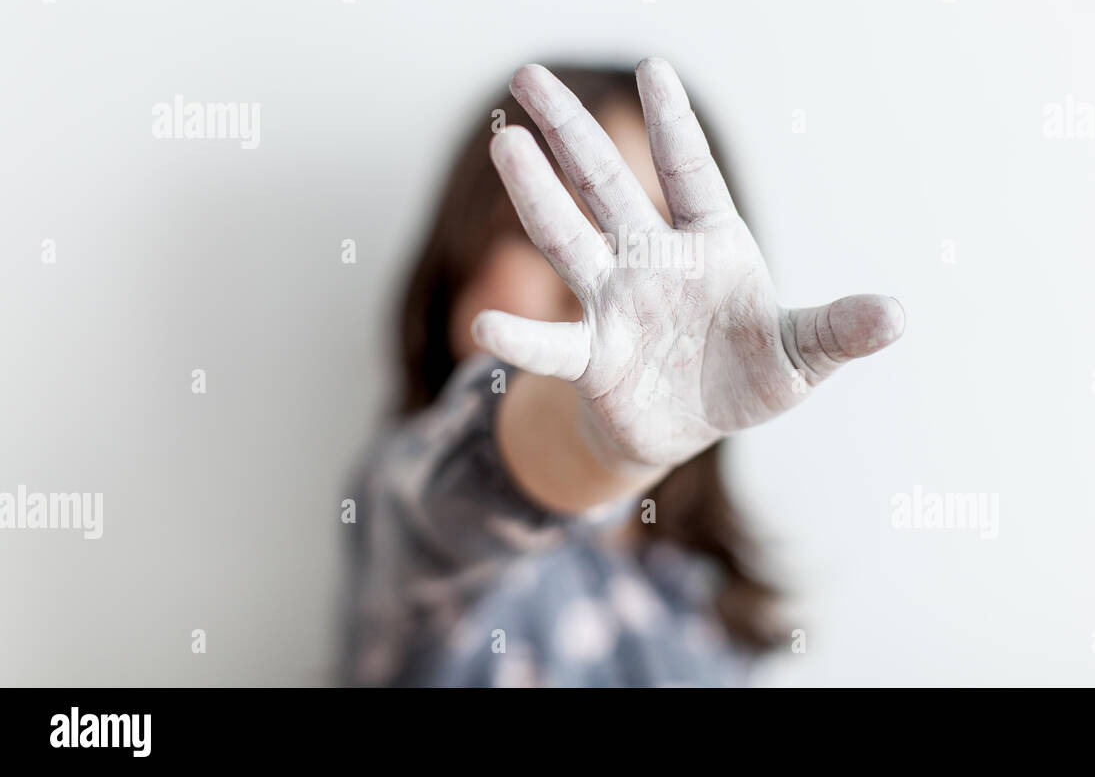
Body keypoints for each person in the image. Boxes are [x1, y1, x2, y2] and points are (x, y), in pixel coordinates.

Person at [342, 58, 905, 686]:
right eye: (537, 232)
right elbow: (485, 475)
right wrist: (601, 441)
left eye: (646, 244)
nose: (607, 290)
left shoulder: (699, 585)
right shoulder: (410, 499)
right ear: (455, 271)